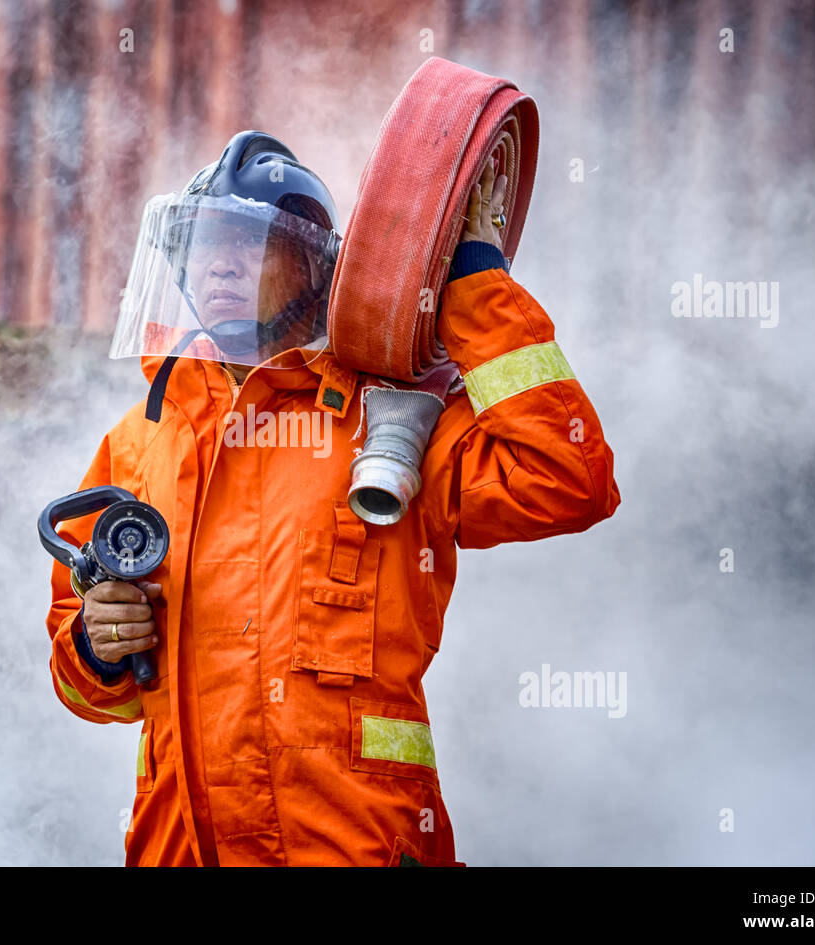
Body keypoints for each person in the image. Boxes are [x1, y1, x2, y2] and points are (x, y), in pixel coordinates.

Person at [46, 130, 620, 866]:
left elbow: (568, 480)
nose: (218, 262)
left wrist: (475, 281)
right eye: (200, 244)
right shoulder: (139, 441)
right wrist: (99, 645)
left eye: (248, 242)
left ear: (317, 268)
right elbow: (91, 694)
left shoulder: (389, 421)